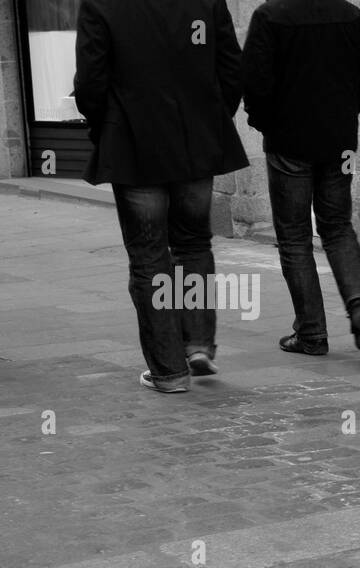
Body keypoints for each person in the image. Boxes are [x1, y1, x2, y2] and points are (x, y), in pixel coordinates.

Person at [74, 0, 249, 392]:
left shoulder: (101, 5)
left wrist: (108, 126)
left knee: (149, 255)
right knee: (192, 244)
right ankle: (198, 343)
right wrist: (212, 117)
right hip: (195, 139)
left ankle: (169, 370)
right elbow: (232, 68)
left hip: (135, 142)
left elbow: (90, 82)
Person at [241, 0, 360, 356]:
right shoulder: (348, 13)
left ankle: (311, 332)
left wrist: (265, 122)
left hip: (289, 142)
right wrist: (344, 110)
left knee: (294, 237)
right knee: (337, 226)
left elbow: (255, 82)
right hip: (339, 142)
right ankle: (358, 303)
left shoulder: (269, 16)